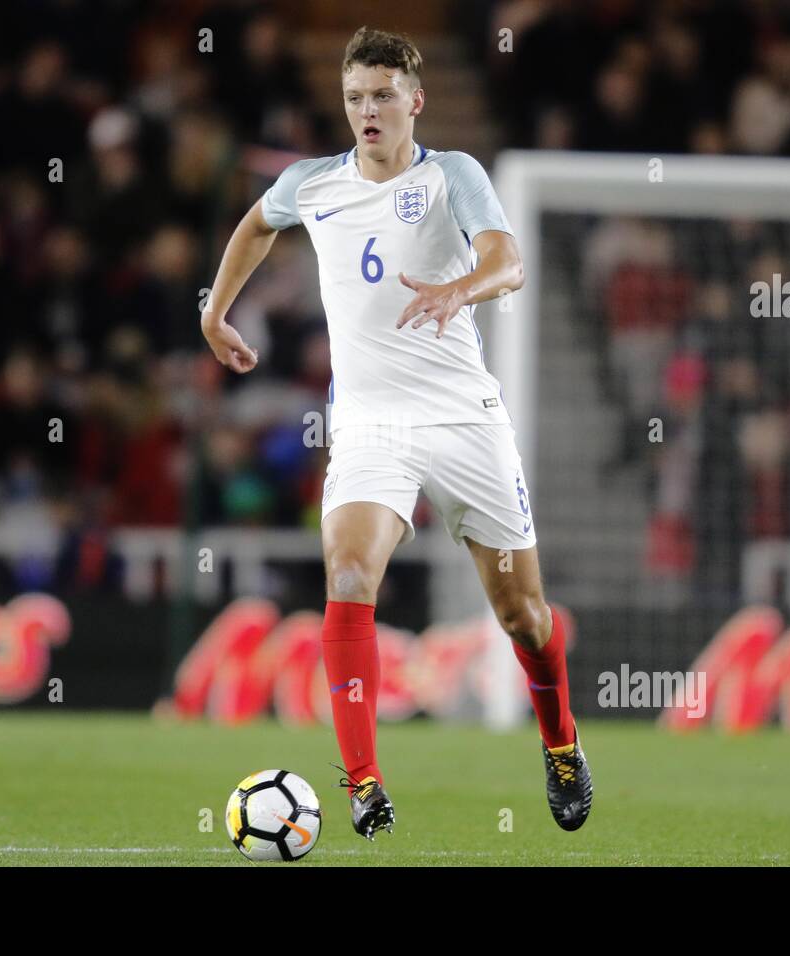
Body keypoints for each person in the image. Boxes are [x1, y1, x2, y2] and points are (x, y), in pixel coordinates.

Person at [201, 27, 591, 840]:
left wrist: (462, 289)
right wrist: (215, 309)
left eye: (382, 95)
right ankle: (364, 782)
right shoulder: (313, 184)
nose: (367, 111)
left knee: (524, 616)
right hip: (371, 423)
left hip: (464, 418)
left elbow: (509, 260)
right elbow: (256, 225)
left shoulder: (453, 175)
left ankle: (560, 744)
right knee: (348, 573)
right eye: (354, 98)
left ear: (416, 98)